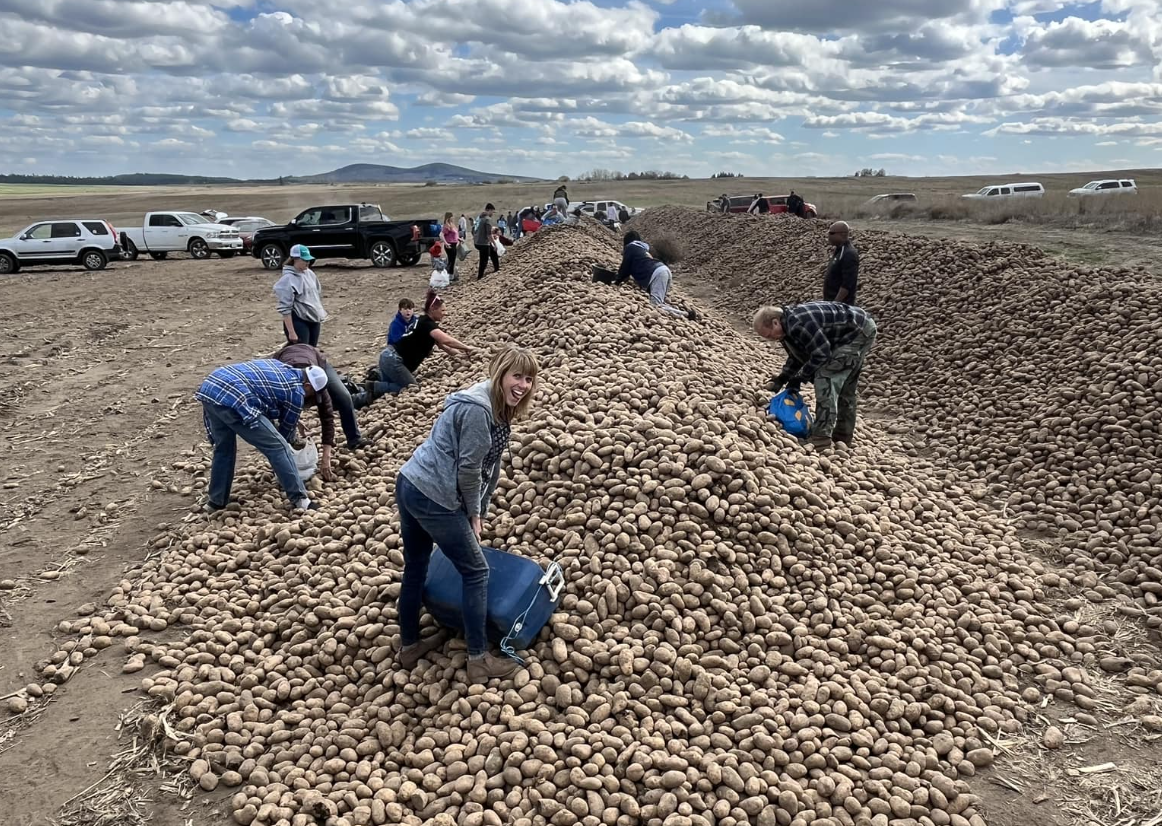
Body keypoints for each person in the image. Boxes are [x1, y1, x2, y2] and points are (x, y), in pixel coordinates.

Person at [394, 345, 540, 681]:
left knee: (417, 565)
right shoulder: (479, 411)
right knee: (476, 572)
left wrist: (481, 508)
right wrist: (474, 514)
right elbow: (470, 469)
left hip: (411, 481)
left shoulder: (493, 404)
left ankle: (409, 645)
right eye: (517, 376)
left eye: (529, 379)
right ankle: (478, 659)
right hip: (434, 494)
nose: (523, 385)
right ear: (500, 374)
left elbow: (492, 463)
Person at [195, 358, 328, 512]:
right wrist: (292, 448)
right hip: (234, 398)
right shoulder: (296, 391)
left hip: (211, 388)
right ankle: (300, 500)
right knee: (279, 447)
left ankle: (215, 502)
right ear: (307, 385)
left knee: (223, 449)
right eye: (311, 393)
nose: (308, 397)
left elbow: (264, 398)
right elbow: (284, 434)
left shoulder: (280, 367)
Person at [755, 302, 878, 450]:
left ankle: (821, 438)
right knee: (844, 385)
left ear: (775, 322)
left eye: (769, 335)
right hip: (855, 327)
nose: (771, 339)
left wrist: (801, 377)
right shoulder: (786, 326)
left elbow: (821, 354)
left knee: (826, 378)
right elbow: (797, 356)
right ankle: (843, 438)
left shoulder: (799, 324)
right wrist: (782, 378)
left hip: (858, 331)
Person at [354, 289, 473, 407]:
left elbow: (444, 346)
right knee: (411, 387)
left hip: (389, 356)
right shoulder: (427, 324)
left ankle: (356, 396)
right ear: (433, 309)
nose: (445, 313)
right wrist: (468, 348)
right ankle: (373, 386)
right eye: (443, 310)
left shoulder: (423, 322)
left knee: (389, 387)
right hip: (393, 359)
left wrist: (462, 356)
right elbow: (446, 340)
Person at [271, 343, 359, 475]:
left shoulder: (318, 384)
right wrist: (295, 420)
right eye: (313, 394)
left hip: (314, 358)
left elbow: (327, 417)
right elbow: (275, 409)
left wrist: (326, 457)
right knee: (284, 425)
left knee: (344, 396)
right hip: (283, 360)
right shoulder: (283, 384)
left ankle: (354, 439)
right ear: (306, 386)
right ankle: (287, 461)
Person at [617, 230, 694, 319]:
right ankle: (680, 314)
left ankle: (685, 314)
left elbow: (625, 267)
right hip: (663, 270)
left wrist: (617, 281)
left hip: (658, 273)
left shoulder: (630, 247)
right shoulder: (643, 249)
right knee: (659, 302)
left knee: (655, 306)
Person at [275, 244, 326, 346]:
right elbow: (285, 309)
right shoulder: (287, 280)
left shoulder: (310, 274)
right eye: (305, 260)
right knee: (301, 352)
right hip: (298, 320)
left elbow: (317, 293)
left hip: (313, 318)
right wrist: (292, 332)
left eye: (308, 260)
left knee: (312, 350)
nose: (308, 262)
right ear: (295, 259)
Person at [824, 221, 859, 305]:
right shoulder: (839, 250)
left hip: (841, 306)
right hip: (831, 302)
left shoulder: (849, 254)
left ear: (842, 234)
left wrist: (835, 303)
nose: (828, 236)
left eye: (831, 233)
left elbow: (847, 284)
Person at [474, 203, 499, 280]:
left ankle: (497, 269)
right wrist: (495, 244)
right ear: (489, 210)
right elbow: (489, 234)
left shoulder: (480, 218)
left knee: (493, 253)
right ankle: (480, 277)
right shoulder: (487, 219)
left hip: (477, 241)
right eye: (492, 211)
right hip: (483, 243)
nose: (492, 214)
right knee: (484, 260)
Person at [441, 212, 460, 279]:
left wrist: (459, 239)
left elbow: (454, 235)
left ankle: (450, 274)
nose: (453, 218)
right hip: (450, 244)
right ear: (449, 217)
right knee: (451, 260)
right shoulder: (447, 226)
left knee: (452, 260)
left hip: (454, 244)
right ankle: (450, 275)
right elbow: (441, 234)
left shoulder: (452, 225)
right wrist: (446, 243)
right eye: (452, 216)